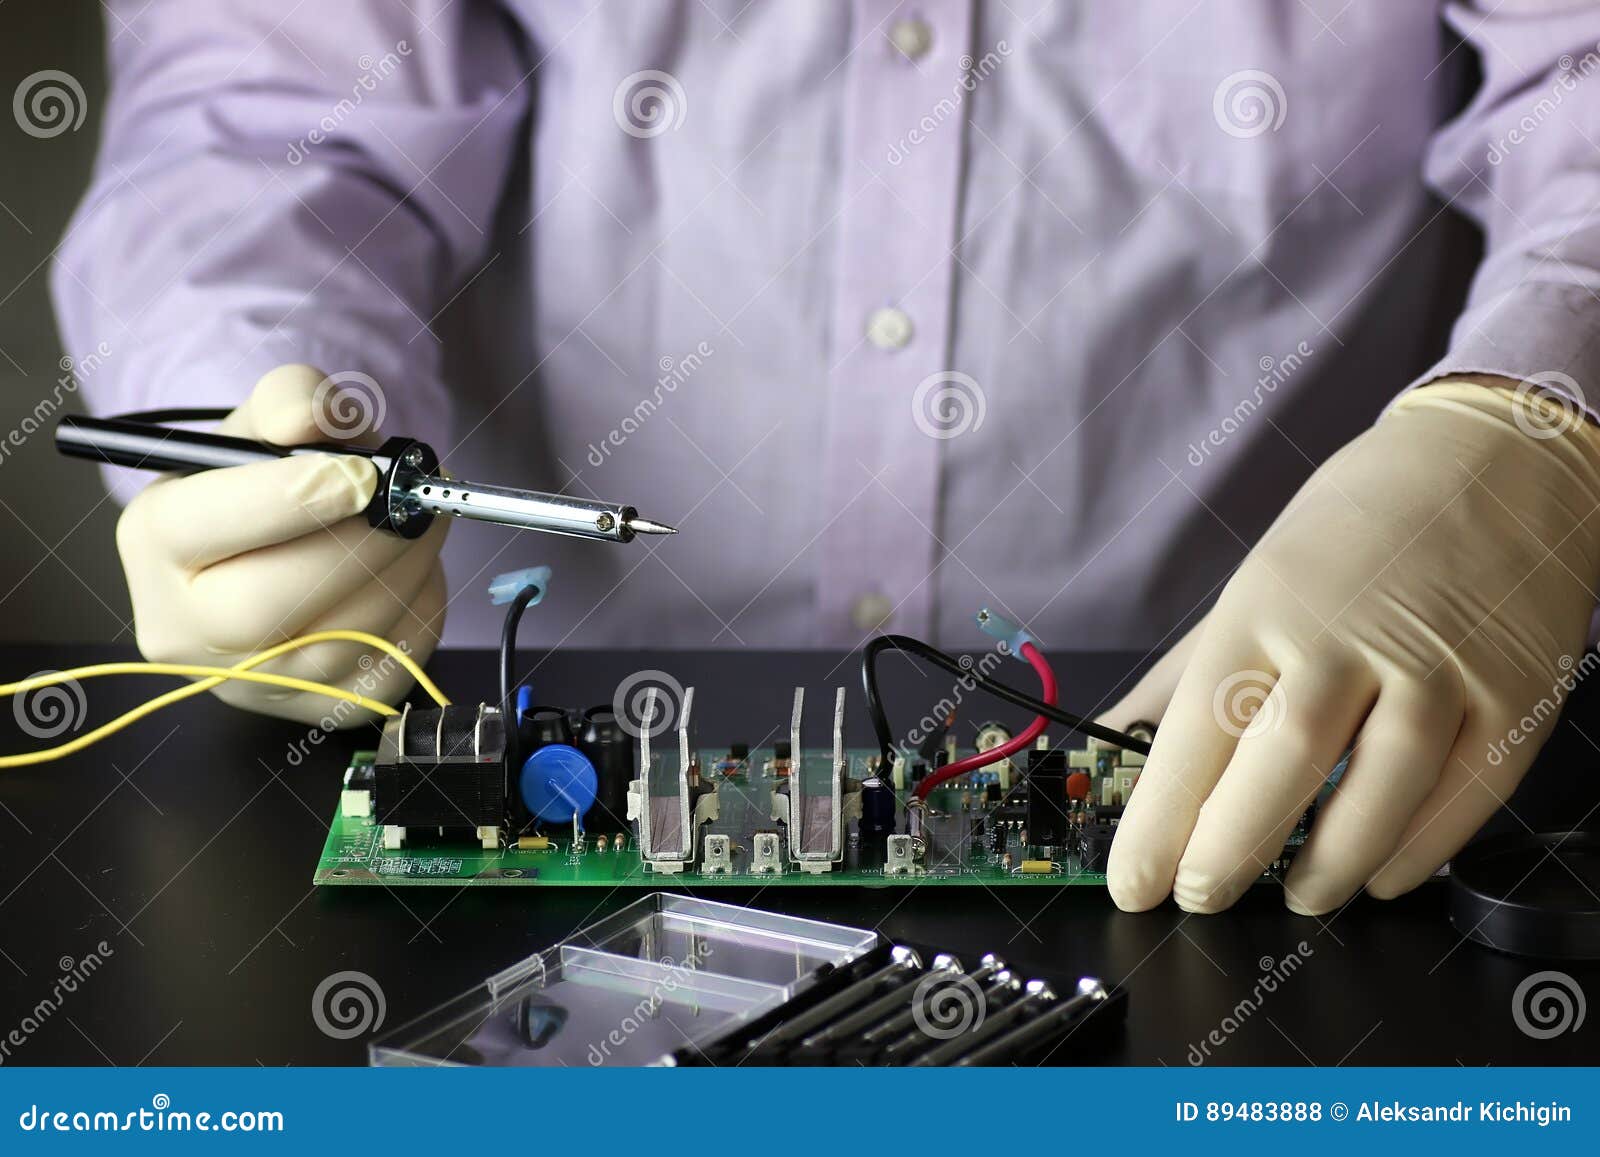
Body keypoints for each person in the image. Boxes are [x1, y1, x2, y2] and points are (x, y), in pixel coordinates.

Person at [51, 1, 1600, 916]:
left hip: (1270, 759)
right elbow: (268, 118)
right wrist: (245, 433)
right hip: (503, 754)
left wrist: (1529, 424)